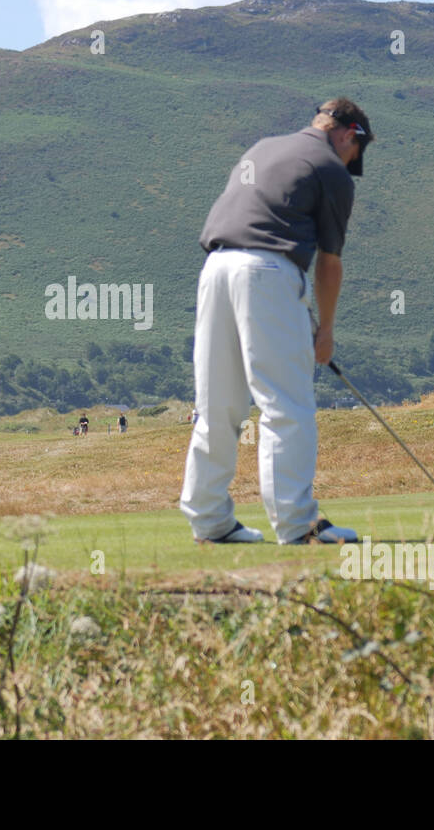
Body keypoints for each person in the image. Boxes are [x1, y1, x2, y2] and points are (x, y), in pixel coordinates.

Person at [179, 98, 372, 545]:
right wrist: (325, 331)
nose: (351, 165)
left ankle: (209, 521)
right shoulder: (332, 171)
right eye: (354, 155)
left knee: (217, 406)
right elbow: (329, 263)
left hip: (215, 270)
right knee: (286, 405)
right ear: (349, 135)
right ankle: (297, 524)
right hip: (267, 272)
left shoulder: (262, 148)